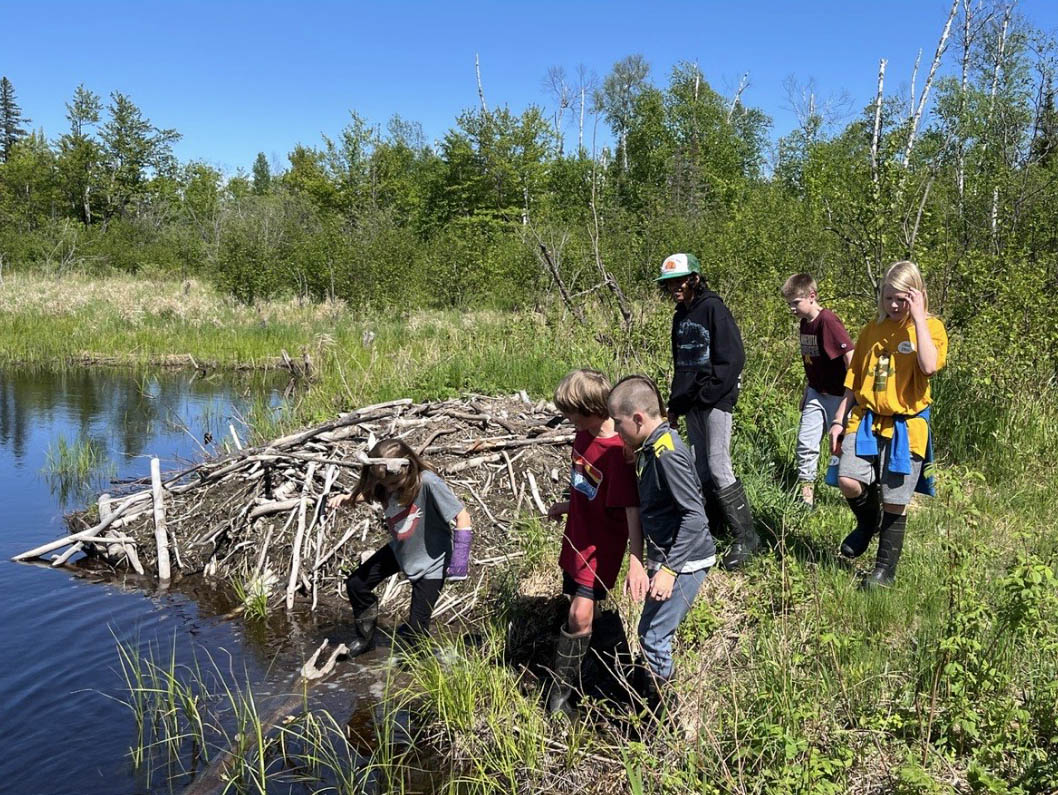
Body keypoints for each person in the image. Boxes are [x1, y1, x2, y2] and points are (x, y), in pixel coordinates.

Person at [829, 261, 947, 589]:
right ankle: (868, 523)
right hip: (865, 419)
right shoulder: (871, 330)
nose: (893, 305)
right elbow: (853, 381)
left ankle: (884, 573)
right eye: (888, 298)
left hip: (906, 426)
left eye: (901, 299)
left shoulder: (931, 328)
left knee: (896, 498)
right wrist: (839, 420)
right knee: (848, 480)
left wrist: (919, 317)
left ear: (916, 297)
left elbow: (928, 367)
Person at [607, 374, 716, 710]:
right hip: (667, 557)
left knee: (654, 638)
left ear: (639, 418)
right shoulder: (650, 447)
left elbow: (695, 517)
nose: (616, 431)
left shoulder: (667, 452)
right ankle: (647, 704)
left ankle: (665, 716)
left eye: (618, 423)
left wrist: (669, 569)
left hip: (685, 561)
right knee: (646, 632)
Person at [545, 369, 645, 717]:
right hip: (577, 536)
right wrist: (565, 505)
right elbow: (583, 485)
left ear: (590, 408)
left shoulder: (618, 452)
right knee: (579, 604)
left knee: (579, 613)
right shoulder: (582, 436)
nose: (566, 419)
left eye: (570, 412)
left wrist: (636, 559)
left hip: (601, 546)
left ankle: (561, 694)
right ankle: (595, 661)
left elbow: (632, 508)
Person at [655, 253, 757, 570]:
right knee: (700, 468)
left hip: (716, 401)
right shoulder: (679, 318)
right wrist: (675, 405)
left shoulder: (713, 308)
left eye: (680, 281)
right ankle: (709, 532)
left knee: (718, 465)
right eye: (669, 283)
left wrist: (711, 393)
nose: (675, 288)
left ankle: (747, 538)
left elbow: (733, 358)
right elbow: (681, 366)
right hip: (692, 405)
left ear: (695, 279)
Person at [331, 438, 472, 655]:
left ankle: (425, 655)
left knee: (416, 636)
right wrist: (348, 498)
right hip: (401, 551)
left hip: (431, 564)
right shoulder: (385, 481)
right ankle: (365, 639)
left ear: (409, 467)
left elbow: (463, 517)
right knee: (356, 584)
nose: (390, 489)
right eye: (385, 486)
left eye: (394, 485)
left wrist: (459, 562)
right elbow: (370, 494)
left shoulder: (428, 483)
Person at [780, 273, 855, 507]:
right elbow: (812, 362)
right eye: (789, 303)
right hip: (816, 392)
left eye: (796, 302)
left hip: (838, 395)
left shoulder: (828, 322)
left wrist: (853, 396)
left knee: (842, 447)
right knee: (806, 443)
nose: (792, 308)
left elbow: (850, 358)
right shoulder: (805, 324)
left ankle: (858, 496)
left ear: (811, 296)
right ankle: (806, 498)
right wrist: (807, 390)